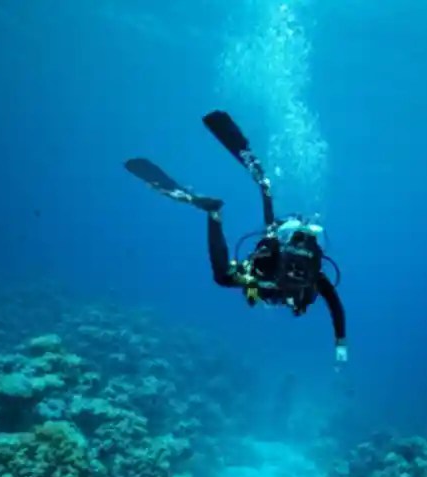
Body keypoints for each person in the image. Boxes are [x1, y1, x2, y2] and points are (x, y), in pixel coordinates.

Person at [124, 110, 347, 364]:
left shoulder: (306, 276)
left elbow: (336, 308)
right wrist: (340, 343)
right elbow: (335, 308)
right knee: (234, 268)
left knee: (263, 237)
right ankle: (216, 212)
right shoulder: (312, 278)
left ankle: (256, 188)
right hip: (268, 261)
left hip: (267, 261)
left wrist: (341, 341)